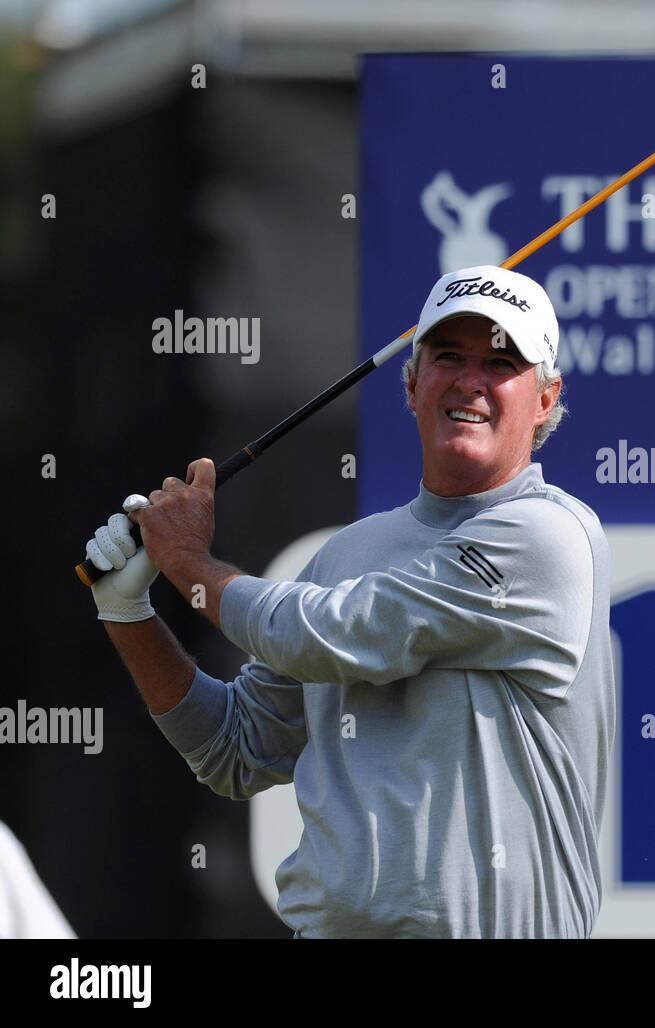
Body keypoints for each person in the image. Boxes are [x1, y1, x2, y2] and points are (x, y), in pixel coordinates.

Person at [85, 266, 616, 938]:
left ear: (545, 399)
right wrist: (129, 614)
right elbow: (235, 747)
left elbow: (338, 631)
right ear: (412, 382)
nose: (471, 381)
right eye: (448, 356)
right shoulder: (344, 556)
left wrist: (187, 564)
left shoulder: (551, 535)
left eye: (502, 362)